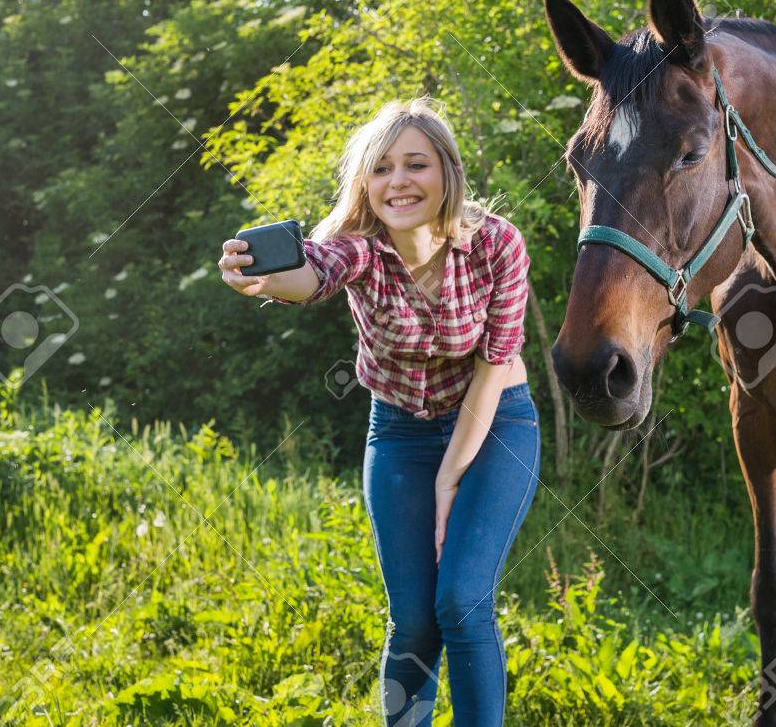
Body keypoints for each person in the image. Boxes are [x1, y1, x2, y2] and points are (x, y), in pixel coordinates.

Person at [218, 97, 540, 727]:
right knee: (415, 617)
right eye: (382, 168)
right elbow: (315, 273)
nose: (399, 182)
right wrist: (258, 279)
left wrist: (450, 476)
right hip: (397, 434)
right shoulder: (360, 250)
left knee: (462, 602)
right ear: (366, 183)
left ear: (446, 172)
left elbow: (495, 361)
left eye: (416, 164)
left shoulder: (496, 244)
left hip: (495, 422)